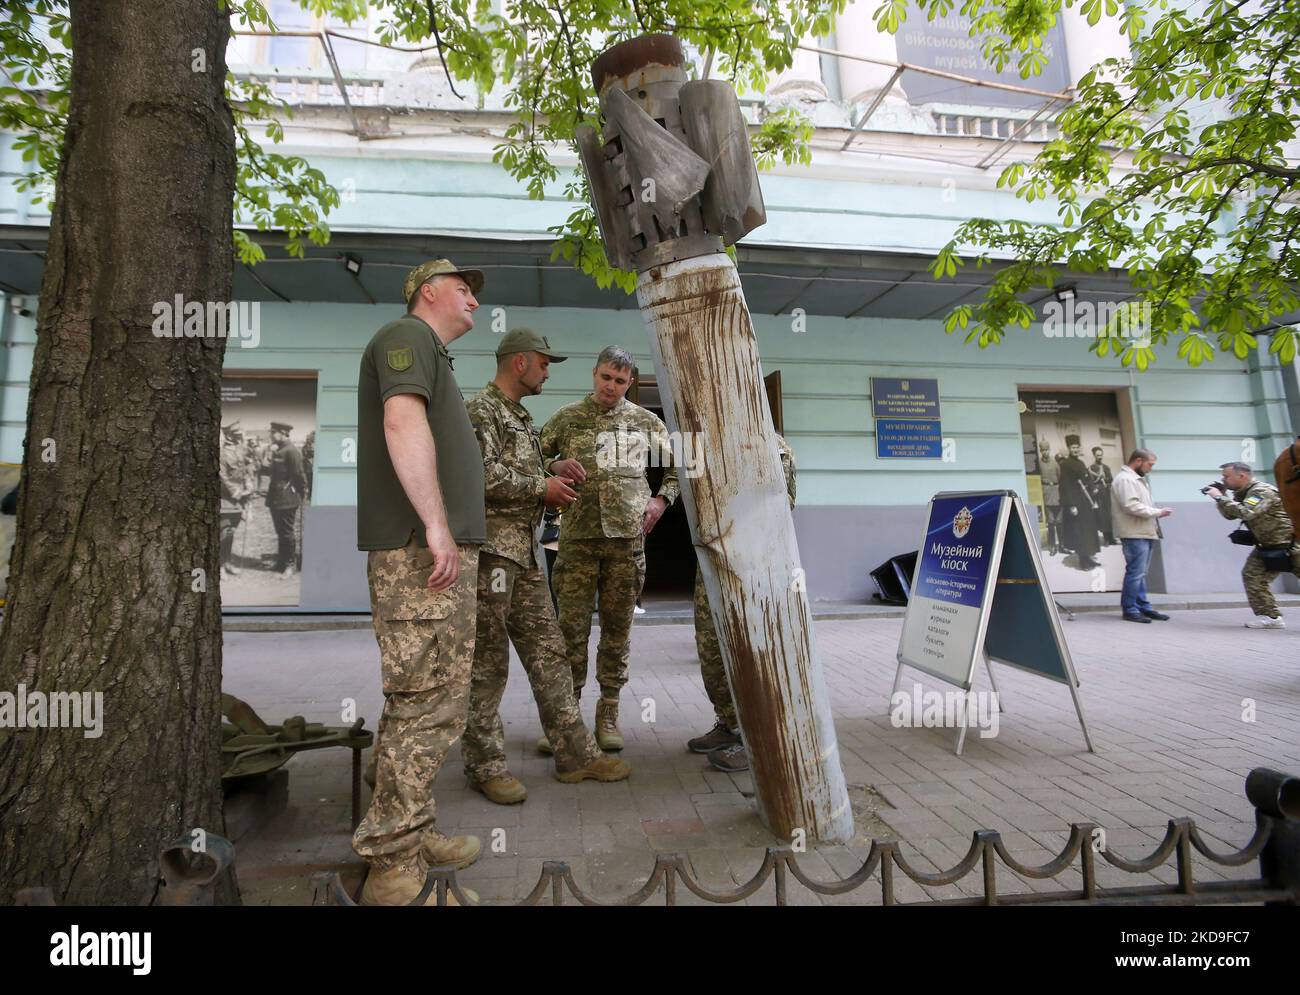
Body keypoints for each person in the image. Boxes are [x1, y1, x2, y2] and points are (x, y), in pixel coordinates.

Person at [352, 257, 487, 906]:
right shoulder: (405, 337)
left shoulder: (430, 351)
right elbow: (402, 423)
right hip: (418, 555)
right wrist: (436, 525)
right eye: (465, 290)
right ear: (428, 292)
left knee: (429, 704)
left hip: (433, 555)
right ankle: (394, 869)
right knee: (424, 704)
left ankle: (412, 827)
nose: (475, 302)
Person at [461, 328, 631, 804]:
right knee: (488, 664)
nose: (548, 371)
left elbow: (520, 469)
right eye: (543, 363)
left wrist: (552, 469)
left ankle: (576, 754)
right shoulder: (482, 410)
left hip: (526, 555)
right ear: (519, 363)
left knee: (550, 653)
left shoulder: (518, 415)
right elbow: (478, 473)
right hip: (493, 557)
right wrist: (542, 488)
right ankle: (486, 765)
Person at [539, 346, 679, 751]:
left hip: (626, 544)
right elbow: (532, 456)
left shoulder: (645, 421)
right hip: (578, 542)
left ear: (629, 383)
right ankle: (568, 720)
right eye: (606, 378)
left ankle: (609, 714)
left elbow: (677, 467)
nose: (611, 387)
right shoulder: (567, 418)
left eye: (620, 381)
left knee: (617, 631)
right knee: (571, 632)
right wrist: (554, 467)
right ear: (594, 374)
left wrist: (661, 500)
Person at [687, 433, 796, 773]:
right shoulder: (708, 441)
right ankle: (731, 724)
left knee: (751, 651)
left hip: (751, 565)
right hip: (712, 560)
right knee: (711, 648)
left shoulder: (771, 445)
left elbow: (780, 504)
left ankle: (758, 740)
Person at [1208, 461, 1300, 629]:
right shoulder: (1243, 494)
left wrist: (1219, 497)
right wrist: (1222, 497)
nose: (1223, 480)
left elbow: (1246, 512)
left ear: (1241, 476)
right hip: (1267, 546)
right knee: (1252, 576)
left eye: (1226, 476)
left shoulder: (1261, 491)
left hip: (1290, 545)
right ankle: (1270, 618)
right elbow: (1230, 515)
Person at [1110, 448, 1173, 623]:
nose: (1150, 468)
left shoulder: (1135, 479)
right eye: (1149, 464)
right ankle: (1130, 609)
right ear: (1138, 461)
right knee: (1136, 572)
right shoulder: (1125, 480)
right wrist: (1158, 512)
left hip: (1143, 531)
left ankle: (1143, 607)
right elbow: (1131, 506)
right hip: (1134, 533)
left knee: (1140, 573)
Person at [265, 422, 307, 576]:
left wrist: (301, 492)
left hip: (287, 498)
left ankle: (290, 564)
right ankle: (281, 561)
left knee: (287, 532)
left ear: (282, 433)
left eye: (273, 432)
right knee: (280, 531)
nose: (271, 435)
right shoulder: (279, 450)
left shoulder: (291, 451)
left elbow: (298, 475)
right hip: (275, 498)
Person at [1059, 435, 1101, 569]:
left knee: (1088, 531)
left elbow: (1087, 479)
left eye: (1077, 447)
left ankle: (1089, 557)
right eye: (1073, 447)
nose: (1075, 450)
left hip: (1086, 502)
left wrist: (1094, 489)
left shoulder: (1081, 463)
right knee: (1080, 532)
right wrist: (1071, 505)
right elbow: (1065, 486)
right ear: (1069, 449)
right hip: (1076, 503)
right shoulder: (1066, 464)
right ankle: (1083, 561)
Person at [219, 422, 254, 578]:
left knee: (231, 532)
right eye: (238, 435)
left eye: (241, 434)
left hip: (238, 501)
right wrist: (238, 492)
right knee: (222, 533)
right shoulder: (221, 453)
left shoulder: (240, 451)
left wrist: (248, 483)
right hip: (226, 500)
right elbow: (223, 477)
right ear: (229, 435)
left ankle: (227, 562)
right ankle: (219, 567)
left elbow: (244, 470)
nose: (241, 437)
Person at [1087, 446, 1115, 545]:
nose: (1100, 457)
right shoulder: (1091, 468)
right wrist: (1097, 486)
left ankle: (1112, 538)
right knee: (1102, 516)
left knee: (1110, 516)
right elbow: (1090, 482)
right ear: (1094, 455)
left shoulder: (1106, 467)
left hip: (1107, 493)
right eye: (1097, 455)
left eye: (1101, 454)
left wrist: (1106, 480)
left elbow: (1111, 479)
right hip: (1099, 495)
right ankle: (1106, 538)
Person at [1038, 441, 1062, 553]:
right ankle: (1052, 546)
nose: (1045, 452)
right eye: (1043, 450)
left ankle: (1062, 545)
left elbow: (1060, 476)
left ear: (1049, 450)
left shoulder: (1055, 462)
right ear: (1040, 451)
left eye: (1046, 449)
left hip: (1057, 493)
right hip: (1046, 493)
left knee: (1059, 521)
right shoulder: (1039, 463)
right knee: (1051, 522)